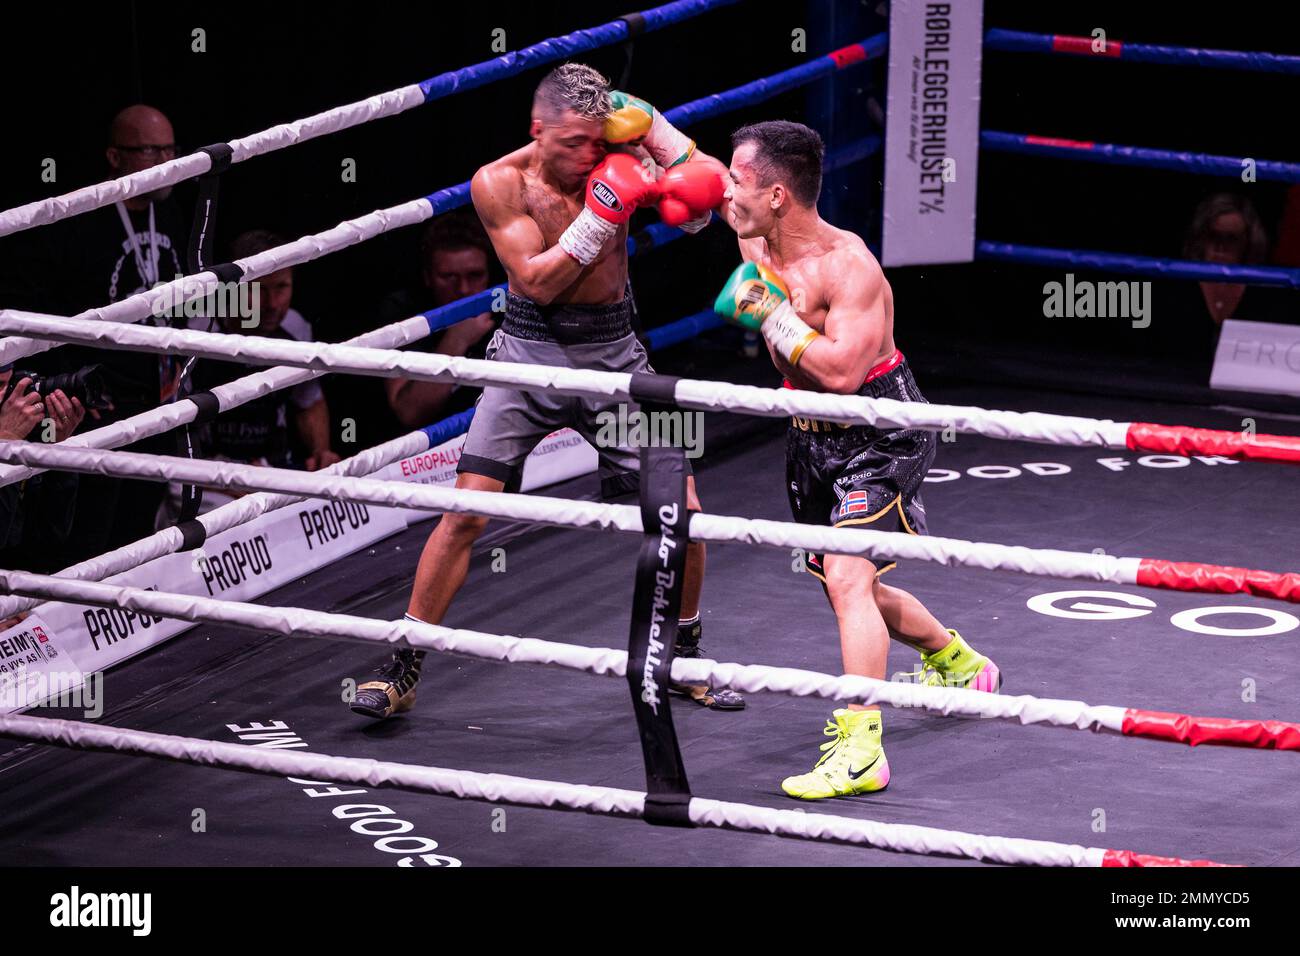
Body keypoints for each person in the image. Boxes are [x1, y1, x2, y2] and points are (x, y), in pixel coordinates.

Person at [349, 63, 744, 720]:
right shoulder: (499, 184)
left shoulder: (618, 138)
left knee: (682, 512)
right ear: (538, 130)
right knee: (466, 514)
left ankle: (684, 656)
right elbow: (534, 282)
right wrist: (605, 210)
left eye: (596, 143)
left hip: (614, 356)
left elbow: (704, 197)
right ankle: (405, 665)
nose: (587, 158)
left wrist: (670, 165)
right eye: (571, 146)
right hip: (528, 358)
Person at [710, 120, 1002, 799]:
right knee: (852, 588)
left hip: (880, 428)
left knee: (846, 579)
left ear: (777, 195)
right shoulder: (752, 230)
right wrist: (614, 111)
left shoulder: (850, 267)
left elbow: (842, 372)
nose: (728, 191)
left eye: (739, 181)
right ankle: (955, 661)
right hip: (808, 434)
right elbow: (684, 159)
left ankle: (863, 748)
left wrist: (768, 312)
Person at [9, 105, 191, 564]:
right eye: (151, 150)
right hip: (96, 402)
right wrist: (68, 384)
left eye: (170, 148)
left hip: (159, 393)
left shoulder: (173, 212)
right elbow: (40, 313)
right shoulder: (78, 220)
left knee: (140, 522)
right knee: (91, 530)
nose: (166, 160)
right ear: (115, 156)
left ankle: (134, 614)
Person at [155, 230, 340, 525]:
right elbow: (168, 430)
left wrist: (321, 451)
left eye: (282, 288)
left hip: (269, 468)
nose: (272, 303)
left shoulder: (296, 330)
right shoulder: (196, 334)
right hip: (206, 475)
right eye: (260, 289)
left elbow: (309, 401)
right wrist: (227, 480)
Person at [378, 210, 499, 428]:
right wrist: (456, 341)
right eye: (449, 277)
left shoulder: (505, 304)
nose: (463, 289)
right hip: (431, 453)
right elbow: (409, 412)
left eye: (475, 275)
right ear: (428, 277)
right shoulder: (405, 313)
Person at [0, 364, 86, 585]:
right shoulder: (10, 429)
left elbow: (51, 535)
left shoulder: (20, 426)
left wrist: (53, 445)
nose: (9, 397)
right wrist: (5, 443)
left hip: (19, 580)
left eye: (6, 384)